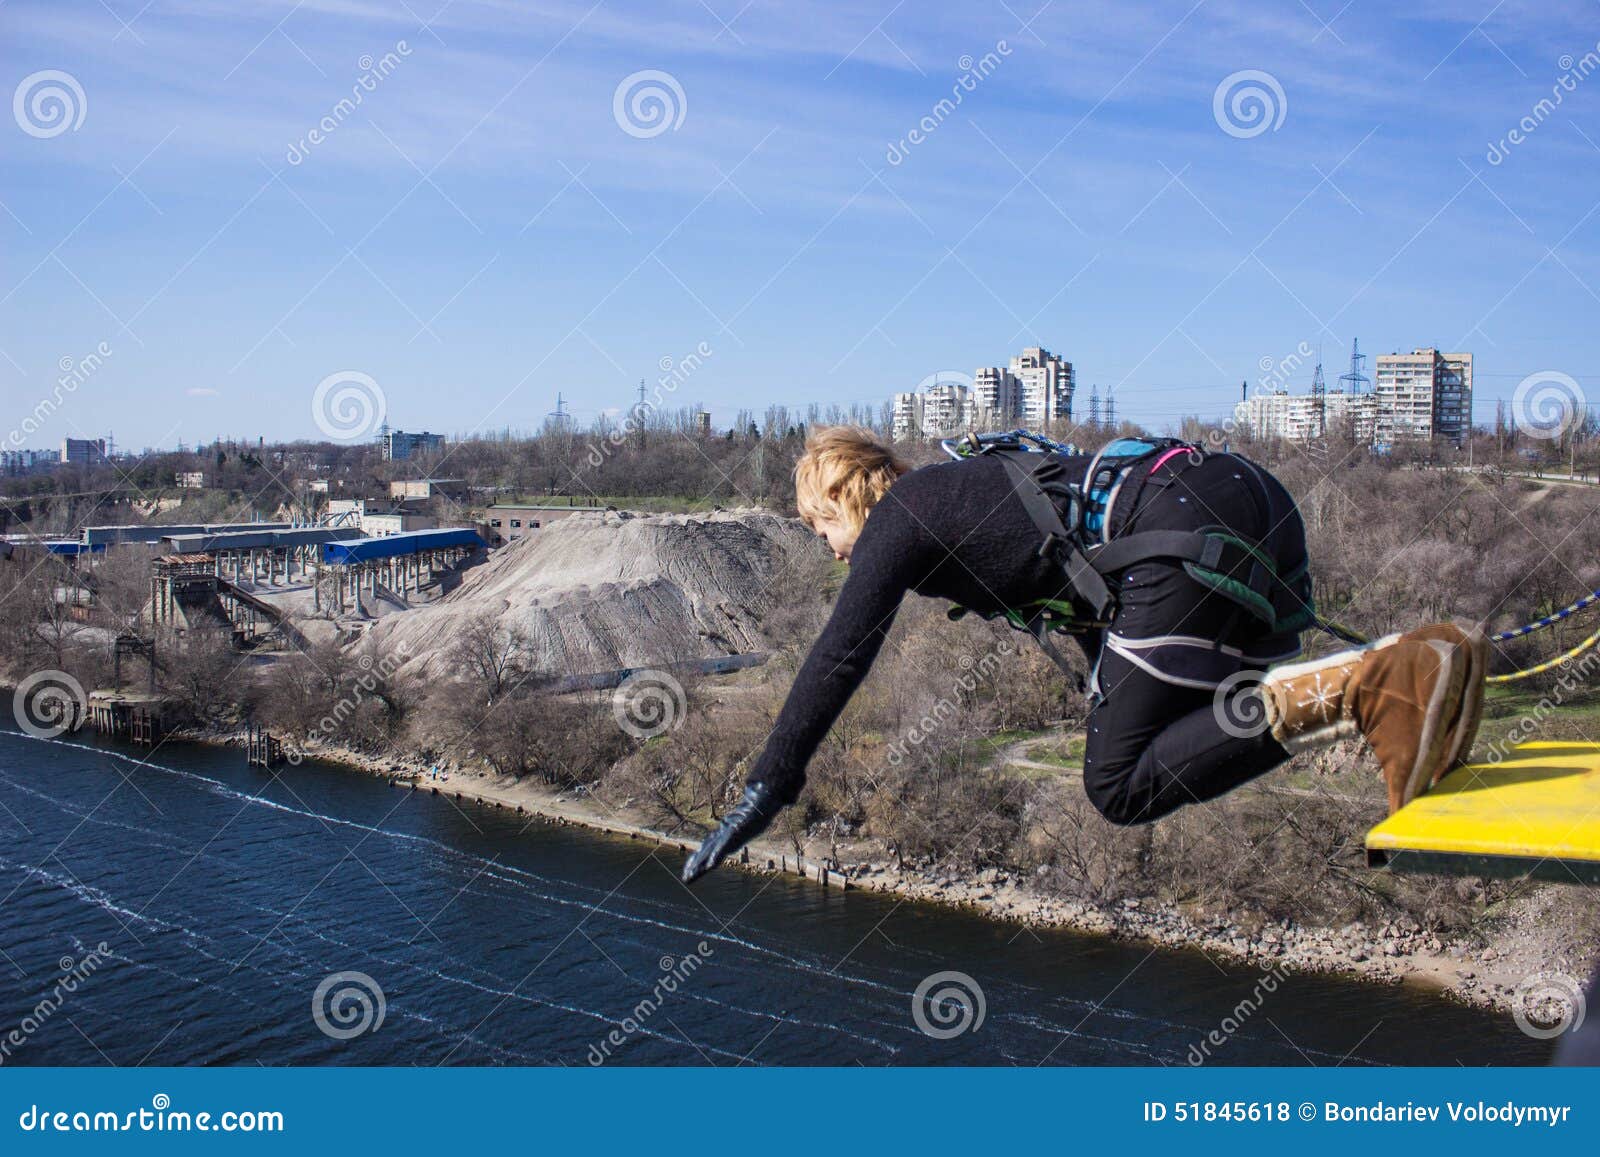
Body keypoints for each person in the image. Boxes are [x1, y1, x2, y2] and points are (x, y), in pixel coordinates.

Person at [682, 426, 1489, 884]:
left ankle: (1367, 686)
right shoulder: (962, 491)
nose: (827, 550)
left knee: (1118, 783)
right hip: (1244, 504)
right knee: (1191, 727)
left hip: (1177, 527)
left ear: (844, 493)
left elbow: (837, 656)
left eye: (818, 526)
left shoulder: (901, 514)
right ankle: (1426, 676)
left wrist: (768, 786)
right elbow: (1077, 577)